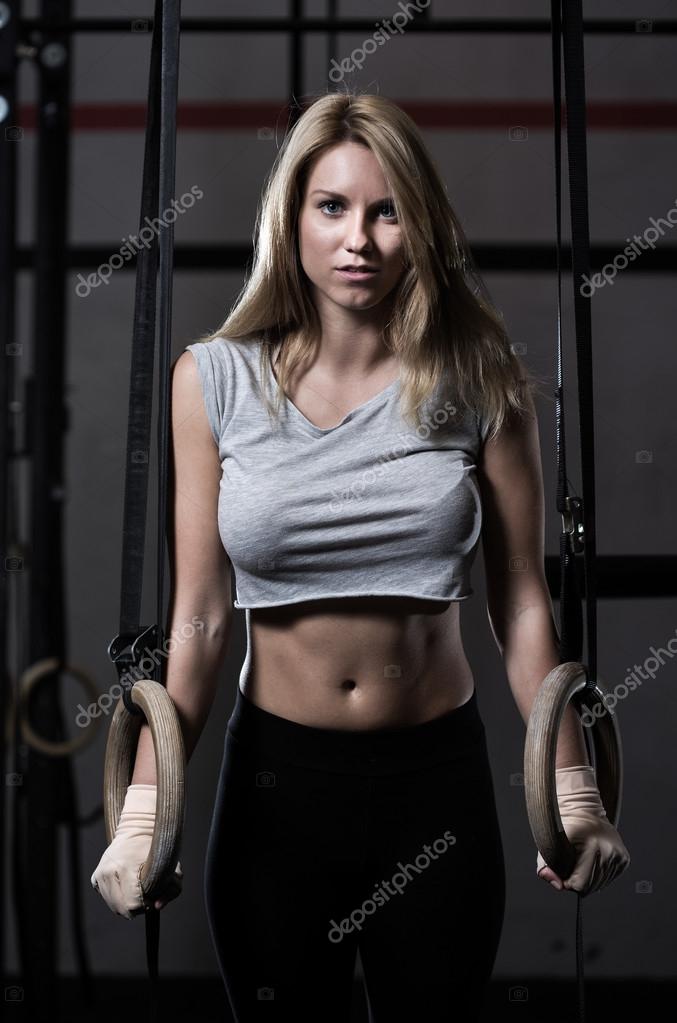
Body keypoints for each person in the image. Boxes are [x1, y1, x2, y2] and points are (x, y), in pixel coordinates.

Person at [91, 91, 630, 1022]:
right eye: (331, 207)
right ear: (290, 217)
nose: (360, 240)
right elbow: (201, 616)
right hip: (276, 793)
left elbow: (522, 599)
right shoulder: (212, 380)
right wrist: (146, 811)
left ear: (417, 224)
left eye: (386, 211)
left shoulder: (480, 378)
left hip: (435, 789)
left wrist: (571, 789)